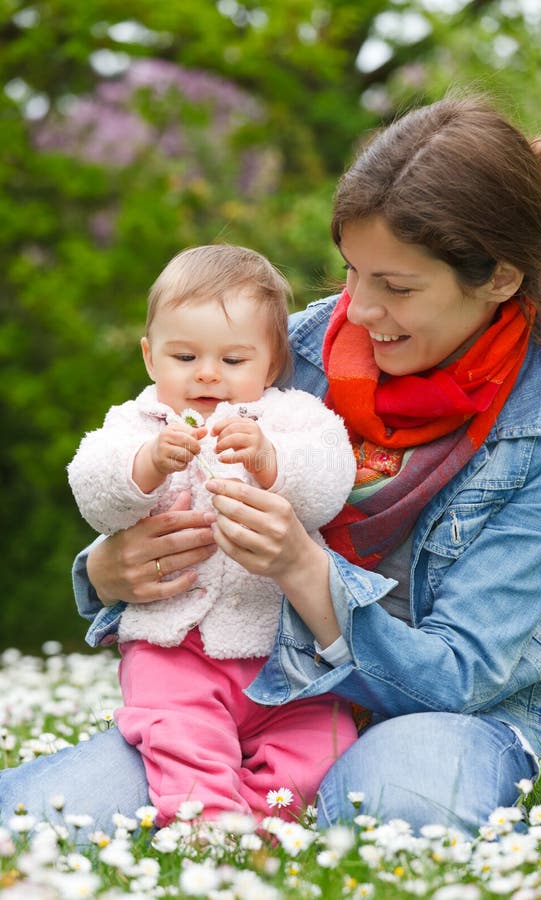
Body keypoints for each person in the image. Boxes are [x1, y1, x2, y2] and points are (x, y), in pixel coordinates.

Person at [0, 94, 541, 839]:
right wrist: (107, 571)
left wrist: (304, 567)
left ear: (497, 279)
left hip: (442, 711)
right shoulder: (271, 350)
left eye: (396, 287)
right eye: (352, 271)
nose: (357, 309)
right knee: (36, 820)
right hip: (254, 686)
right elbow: (143, 471)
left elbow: (460, 677)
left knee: (401, 810)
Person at [66, 244, 358, 826]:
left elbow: (331, 476)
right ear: (150, 357)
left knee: (322, 743)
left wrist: (273, 462)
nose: (206, 373)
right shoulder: (137, 422)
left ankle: (264, 823)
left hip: (284, 655)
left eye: (232, 359)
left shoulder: (291, 417)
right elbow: (92, 484)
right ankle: (210, 832)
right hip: (173, 649)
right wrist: (145, 465)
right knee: (182, 740)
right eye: (184, 355)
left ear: (271, 364)